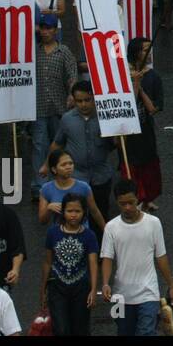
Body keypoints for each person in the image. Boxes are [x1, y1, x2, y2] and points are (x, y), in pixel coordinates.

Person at [101, 178, 173, 336]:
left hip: (148, 292)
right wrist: (105, 284)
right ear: (117, 202)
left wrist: (171, 286)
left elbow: (161, 257)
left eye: (131, 202)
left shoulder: (154, 223)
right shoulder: (111, 227)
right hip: (120, 296)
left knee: (146, 332)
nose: (127, 207)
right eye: (122, 204)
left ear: (138, 199)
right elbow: (107, 258)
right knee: (123, 332)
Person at [45, 82, 115, 220]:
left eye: (87, 100)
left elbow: (115, 144)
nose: (83, 104)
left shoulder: (106, 117)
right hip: (76, 178)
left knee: (101, 213)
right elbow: (57, 143)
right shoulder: (67, 119)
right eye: (79, 101)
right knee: (76, 217)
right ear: (74, 100)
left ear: (94, 97)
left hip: (101, 178)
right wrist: (46, 164)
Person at [32, 13, 77, 201]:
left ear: (55, 30)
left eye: (49, 28)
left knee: (59, 147)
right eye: (43, 28)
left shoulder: (64, 51)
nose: (45, 32)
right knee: (39, 145)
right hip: (39, 107)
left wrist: (71, 94)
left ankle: (62, 181)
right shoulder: (33, 51)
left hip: (59, 107)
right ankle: (39, 186)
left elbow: (72, 74)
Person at [40, 193, 99, 336]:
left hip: (81, 288)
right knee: (60, 329)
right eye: (69, 211)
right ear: (63, 212)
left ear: (84, 212)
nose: (73, 215)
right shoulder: (52, 233)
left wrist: (93, 290)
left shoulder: (89, 236)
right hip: (57, 287)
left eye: (77, 211)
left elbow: (93, 264)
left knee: (80, 329)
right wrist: (43, 289)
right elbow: (48, 261)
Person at [123, 37, 164, 212]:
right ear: (136, 53)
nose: (149, 53)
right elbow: (127, 105)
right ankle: (136, 198)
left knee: (149, 165)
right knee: (131, 165)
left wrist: (139, 87)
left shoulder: (153, 76)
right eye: (145, 49)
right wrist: (133, 83)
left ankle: (148, 199)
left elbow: (153, 109)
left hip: (145, 129)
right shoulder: (123, 75)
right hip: (127, 130)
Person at [39, 150, 106, 230]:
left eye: (71, 163)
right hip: (59, 235)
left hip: (82, 233)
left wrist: (106, 231)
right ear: (54, 169)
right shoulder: (46, 189)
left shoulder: (84, 187)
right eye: (63, 165)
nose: (68, 167)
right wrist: (49, 208)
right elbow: (42, 221)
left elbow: (94, 212)